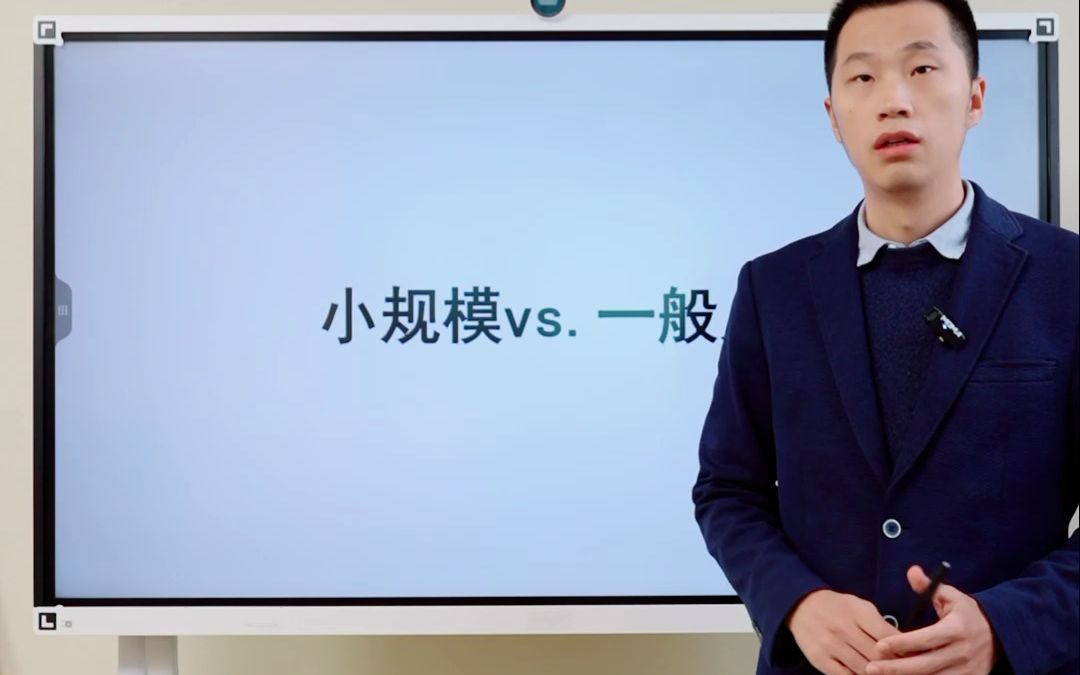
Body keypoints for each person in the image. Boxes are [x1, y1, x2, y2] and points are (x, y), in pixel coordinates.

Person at [690, 1, 1079, 673]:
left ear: (976, 97)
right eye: (863, 77)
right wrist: (797, 601)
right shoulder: (773, 289)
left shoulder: (1066, 276)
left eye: (922, 68)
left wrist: (1006, 626)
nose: (893, 100)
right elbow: (727, 490)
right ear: (833, 115)